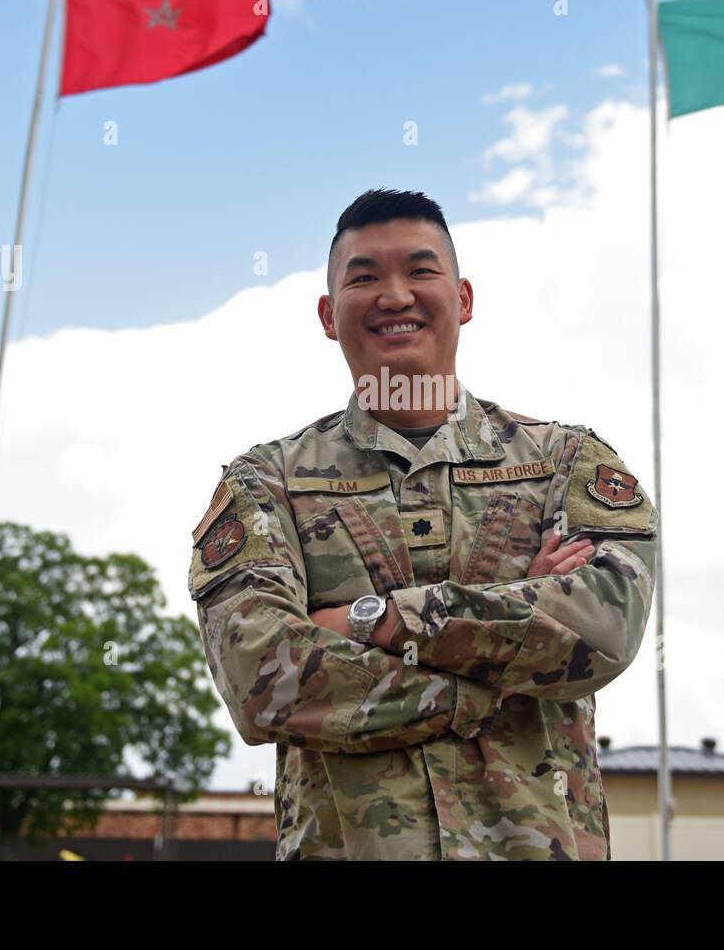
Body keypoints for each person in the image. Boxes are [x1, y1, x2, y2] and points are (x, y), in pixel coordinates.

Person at [187, 188, 658, 860]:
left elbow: (604, 628)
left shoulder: (566, 462)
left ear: (463, 298)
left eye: (420, 270)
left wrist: (365, 619)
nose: (395, 295)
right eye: (365, 277)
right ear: (328, 314)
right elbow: (261, 677)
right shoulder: (267, 484)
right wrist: (498, 659)